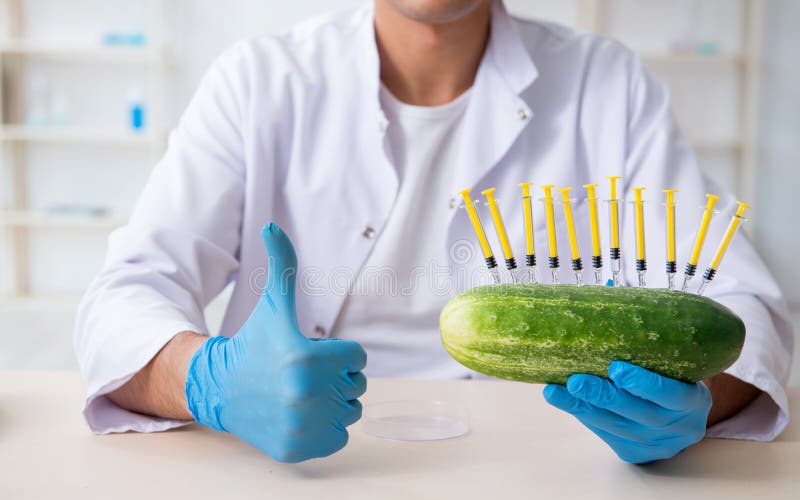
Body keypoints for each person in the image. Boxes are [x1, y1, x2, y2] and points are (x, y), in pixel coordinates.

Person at [74, 0, 793, 464]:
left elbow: (742, 306)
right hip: (306, 481)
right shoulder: (260, 81)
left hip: (547, 478)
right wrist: (210, 380)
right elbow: (126, 294)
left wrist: (697, 401)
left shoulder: (606, 85)